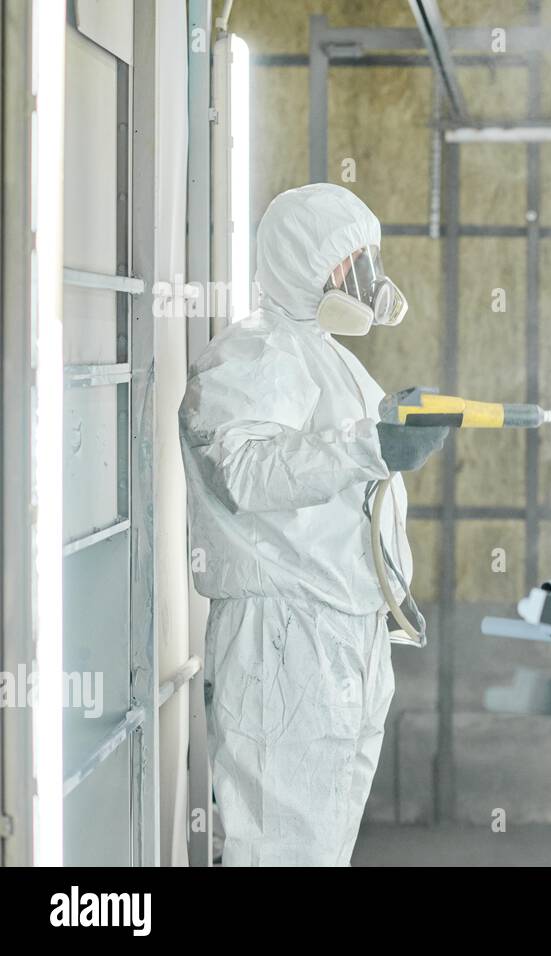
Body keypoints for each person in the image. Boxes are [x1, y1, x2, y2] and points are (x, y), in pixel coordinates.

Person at [179, 183, 445, 866]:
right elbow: (245, 473)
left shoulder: (331, 357)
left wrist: (385, 591)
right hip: (285, 637)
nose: (366, 279)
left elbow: (347, 502)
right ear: (306, 263)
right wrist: (372, 445)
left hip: (342, 630)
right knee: (280, 847)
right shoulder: (256, 353)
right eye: (351, 261)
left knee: (322, 844)